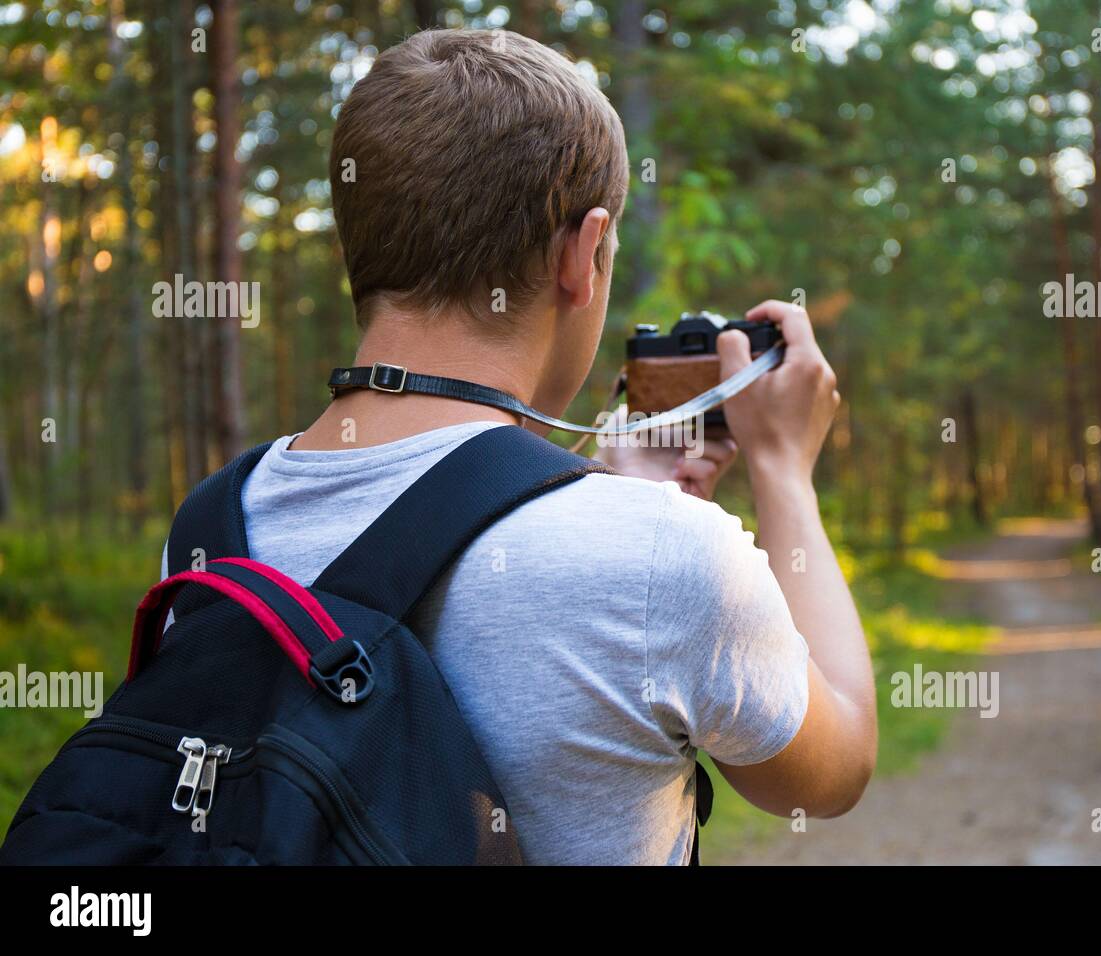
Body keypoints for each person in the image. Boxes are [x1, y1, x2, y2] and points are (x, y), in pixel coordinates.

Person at [220, 28, 876, 864]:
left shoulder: (212, 527)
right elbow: (838, 764)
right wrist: (784, 471)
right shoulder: (662, 558)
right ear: (580, 254)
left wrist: (591, 487)